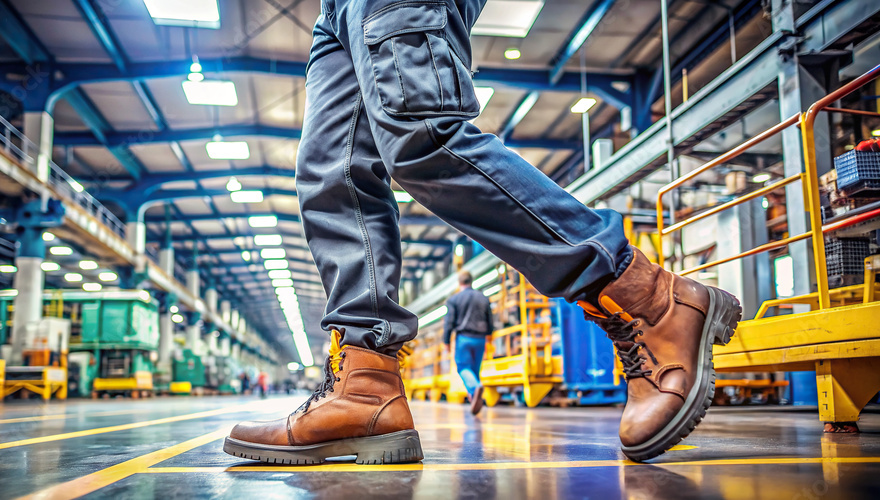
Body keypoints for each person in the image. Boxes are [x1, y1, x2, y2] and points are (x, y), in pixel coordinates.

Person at [224, 0, 741, 465]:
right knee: (331, 178)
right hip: (332, 11)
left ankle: (646, 296)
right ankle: (365, 386)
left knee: (422, 138)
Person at [443, 271, 493, 415]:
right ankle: (474, 399)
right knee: (475, 371)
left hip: (463, 338)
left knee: (463, 367)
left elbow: (449, 323)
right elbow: (489, 319)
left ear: (459, 283)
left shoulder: (454, 299)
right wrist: (489, 335)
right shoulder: (483, 298)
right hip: (480, 339)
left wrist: (446, 341)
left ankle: (475, 388)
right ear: (472, 281)